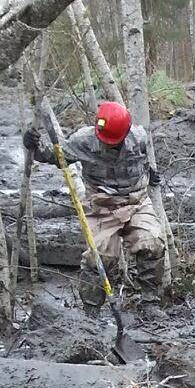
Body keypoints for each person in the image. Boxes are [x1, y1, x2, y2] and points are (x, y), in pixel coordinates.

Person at [24, 99, 166, 305]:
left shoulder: (139, 137)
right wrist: (33, 146)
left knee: (152, 243)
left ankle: (150, 301)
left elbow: (145, 160)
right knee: (99, 258)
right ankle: (91, 311)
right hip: (101, 207)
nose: (108, 144)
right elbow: (54, 156)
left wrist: (150, 173)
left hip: (136, 201)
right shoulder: (83, 141)